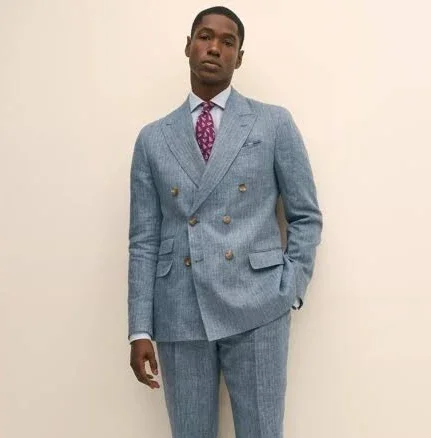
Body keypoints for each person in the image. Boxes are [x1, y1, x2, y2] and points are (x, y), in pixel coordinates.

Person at [127, 6, 322, 437]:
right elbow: (143, 239)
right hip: (180, 308)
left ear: (239, 56)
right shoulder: (153, 138)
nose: (214, 47)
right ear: (188, 46)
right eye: (205, 36)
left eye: (227, 41)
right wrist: (139, 328)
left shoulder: (273, 123)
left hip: (259, 306)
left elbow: (305, 215)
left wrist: (289, 287)